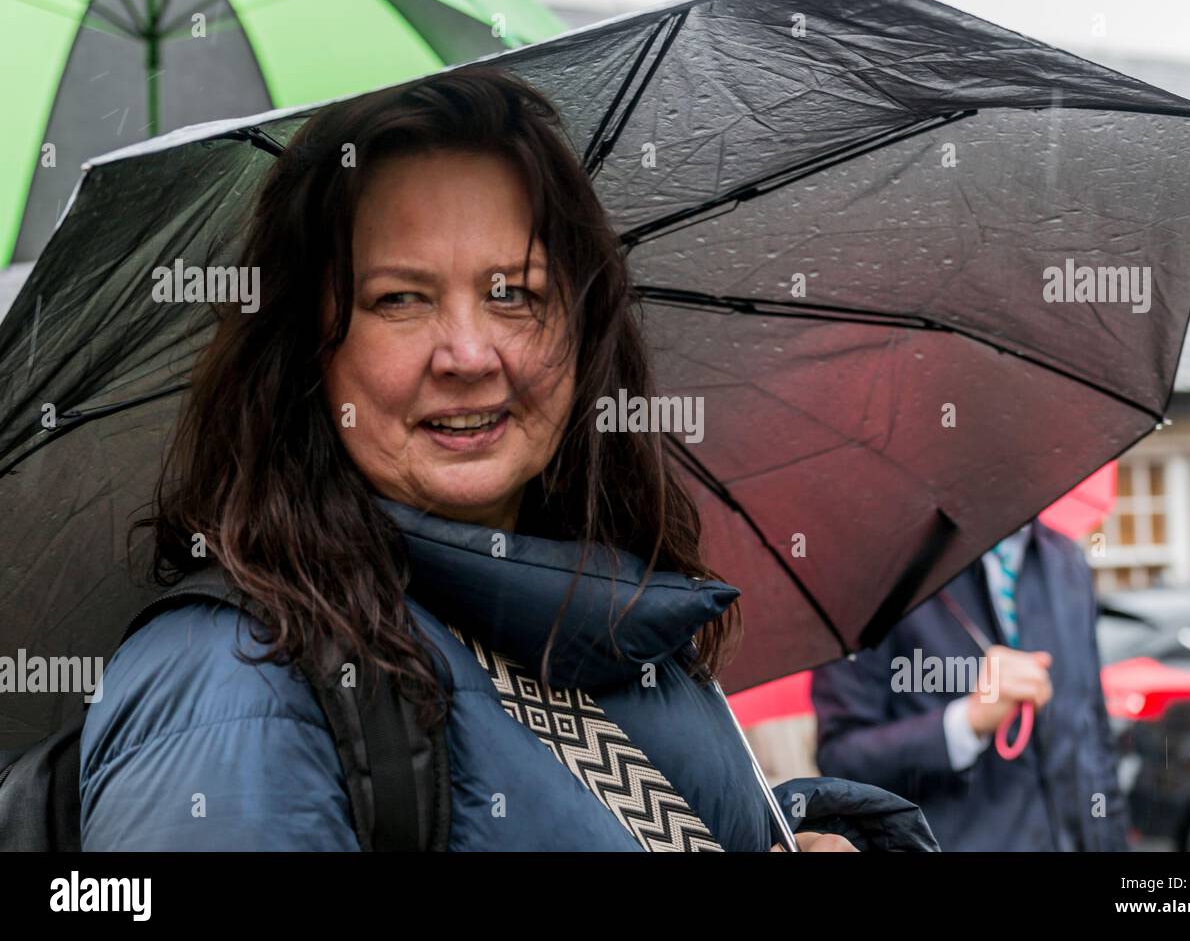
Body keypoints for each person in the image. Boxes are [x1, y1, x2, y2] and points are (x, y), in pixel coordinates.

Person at [78, 66, 935, 852]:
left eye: (512, 293)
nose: (468, 353)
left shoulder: (607, 612)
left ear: (581, 327)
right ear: (306, 350)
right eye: (399, 299)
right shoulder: (232, 688)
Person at [811, 519, 1129, 851]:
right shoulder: (879, 574)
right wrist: (967, 722)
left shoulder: (1067, 561)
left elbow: (1095, 735)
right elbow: (841, 759)